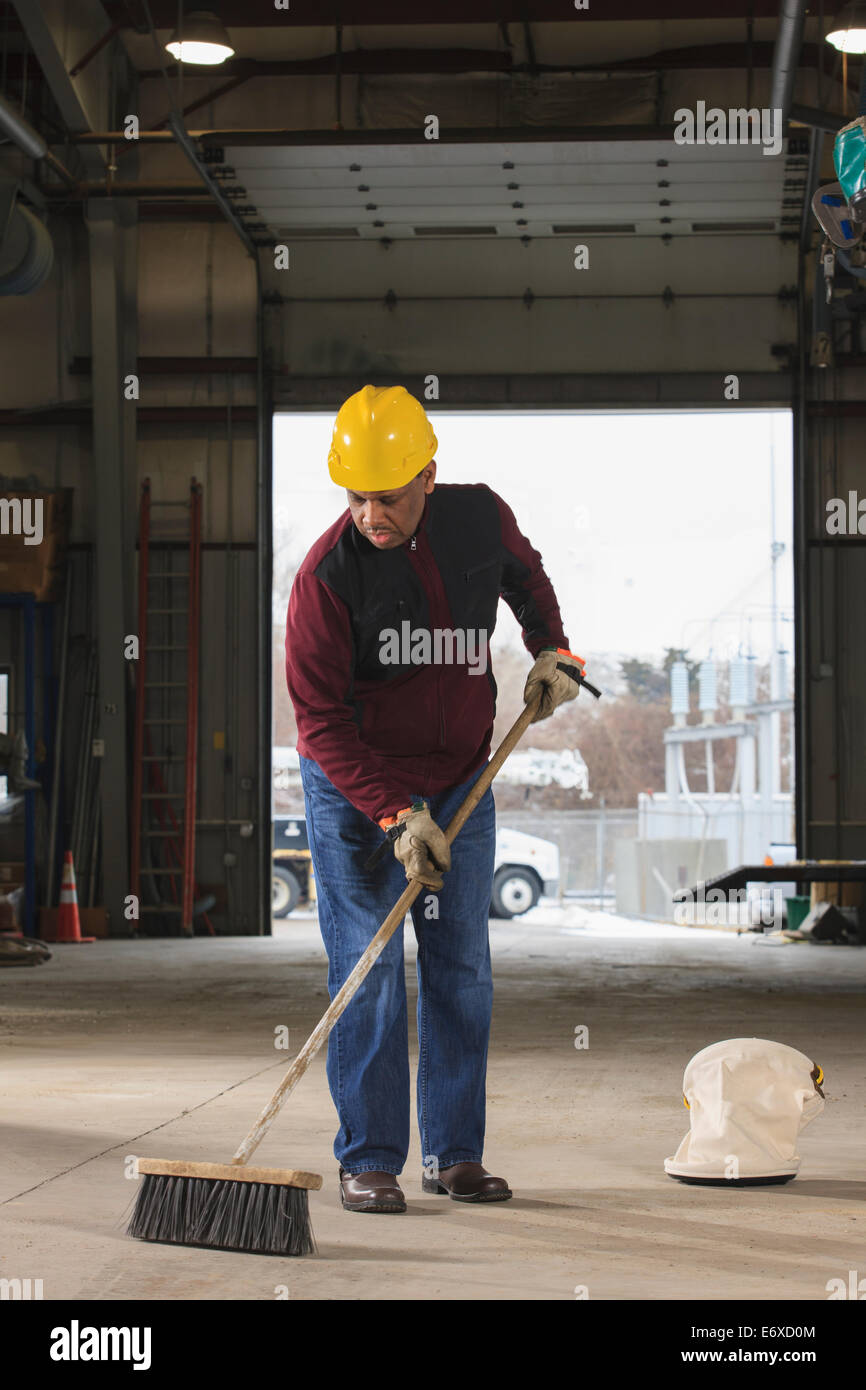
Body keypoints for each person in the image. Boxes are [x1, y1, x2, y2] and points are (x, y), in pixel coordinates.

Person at [284, 384, 584, 1212]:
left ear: (427, 475)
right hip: (358, 792)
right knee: (371, 969)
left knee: (461, 971)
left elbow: (529, 580)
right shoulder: (326, 579)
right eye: (355, 497)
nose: (369, 514)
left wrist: (551, 647)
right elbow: (320, 724)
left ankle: (456, 1154)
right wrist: (391, 813)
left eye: (386, 495)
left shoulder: (478, 520)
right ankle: (370, 1157)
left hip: (459, 779)